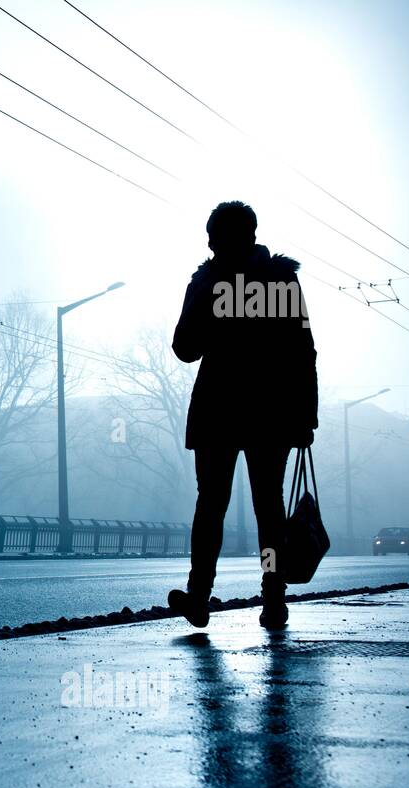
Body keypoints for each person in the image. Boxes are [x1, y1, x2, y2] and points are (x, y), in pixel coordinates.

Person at [168, 201, 318, 630]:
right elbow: (303, 352)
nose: (211, 244)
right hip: (270, 414)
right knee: (267, 511)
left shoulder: (209, 282)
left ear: (235, 237)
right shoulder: (280, 281)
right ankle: (272, 598)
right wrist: (306, 414)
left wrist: (204, 293)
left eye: (216, 236)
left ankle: (201, 595)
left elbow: (184, 349)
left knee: (212, 507)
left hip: (221, 411)